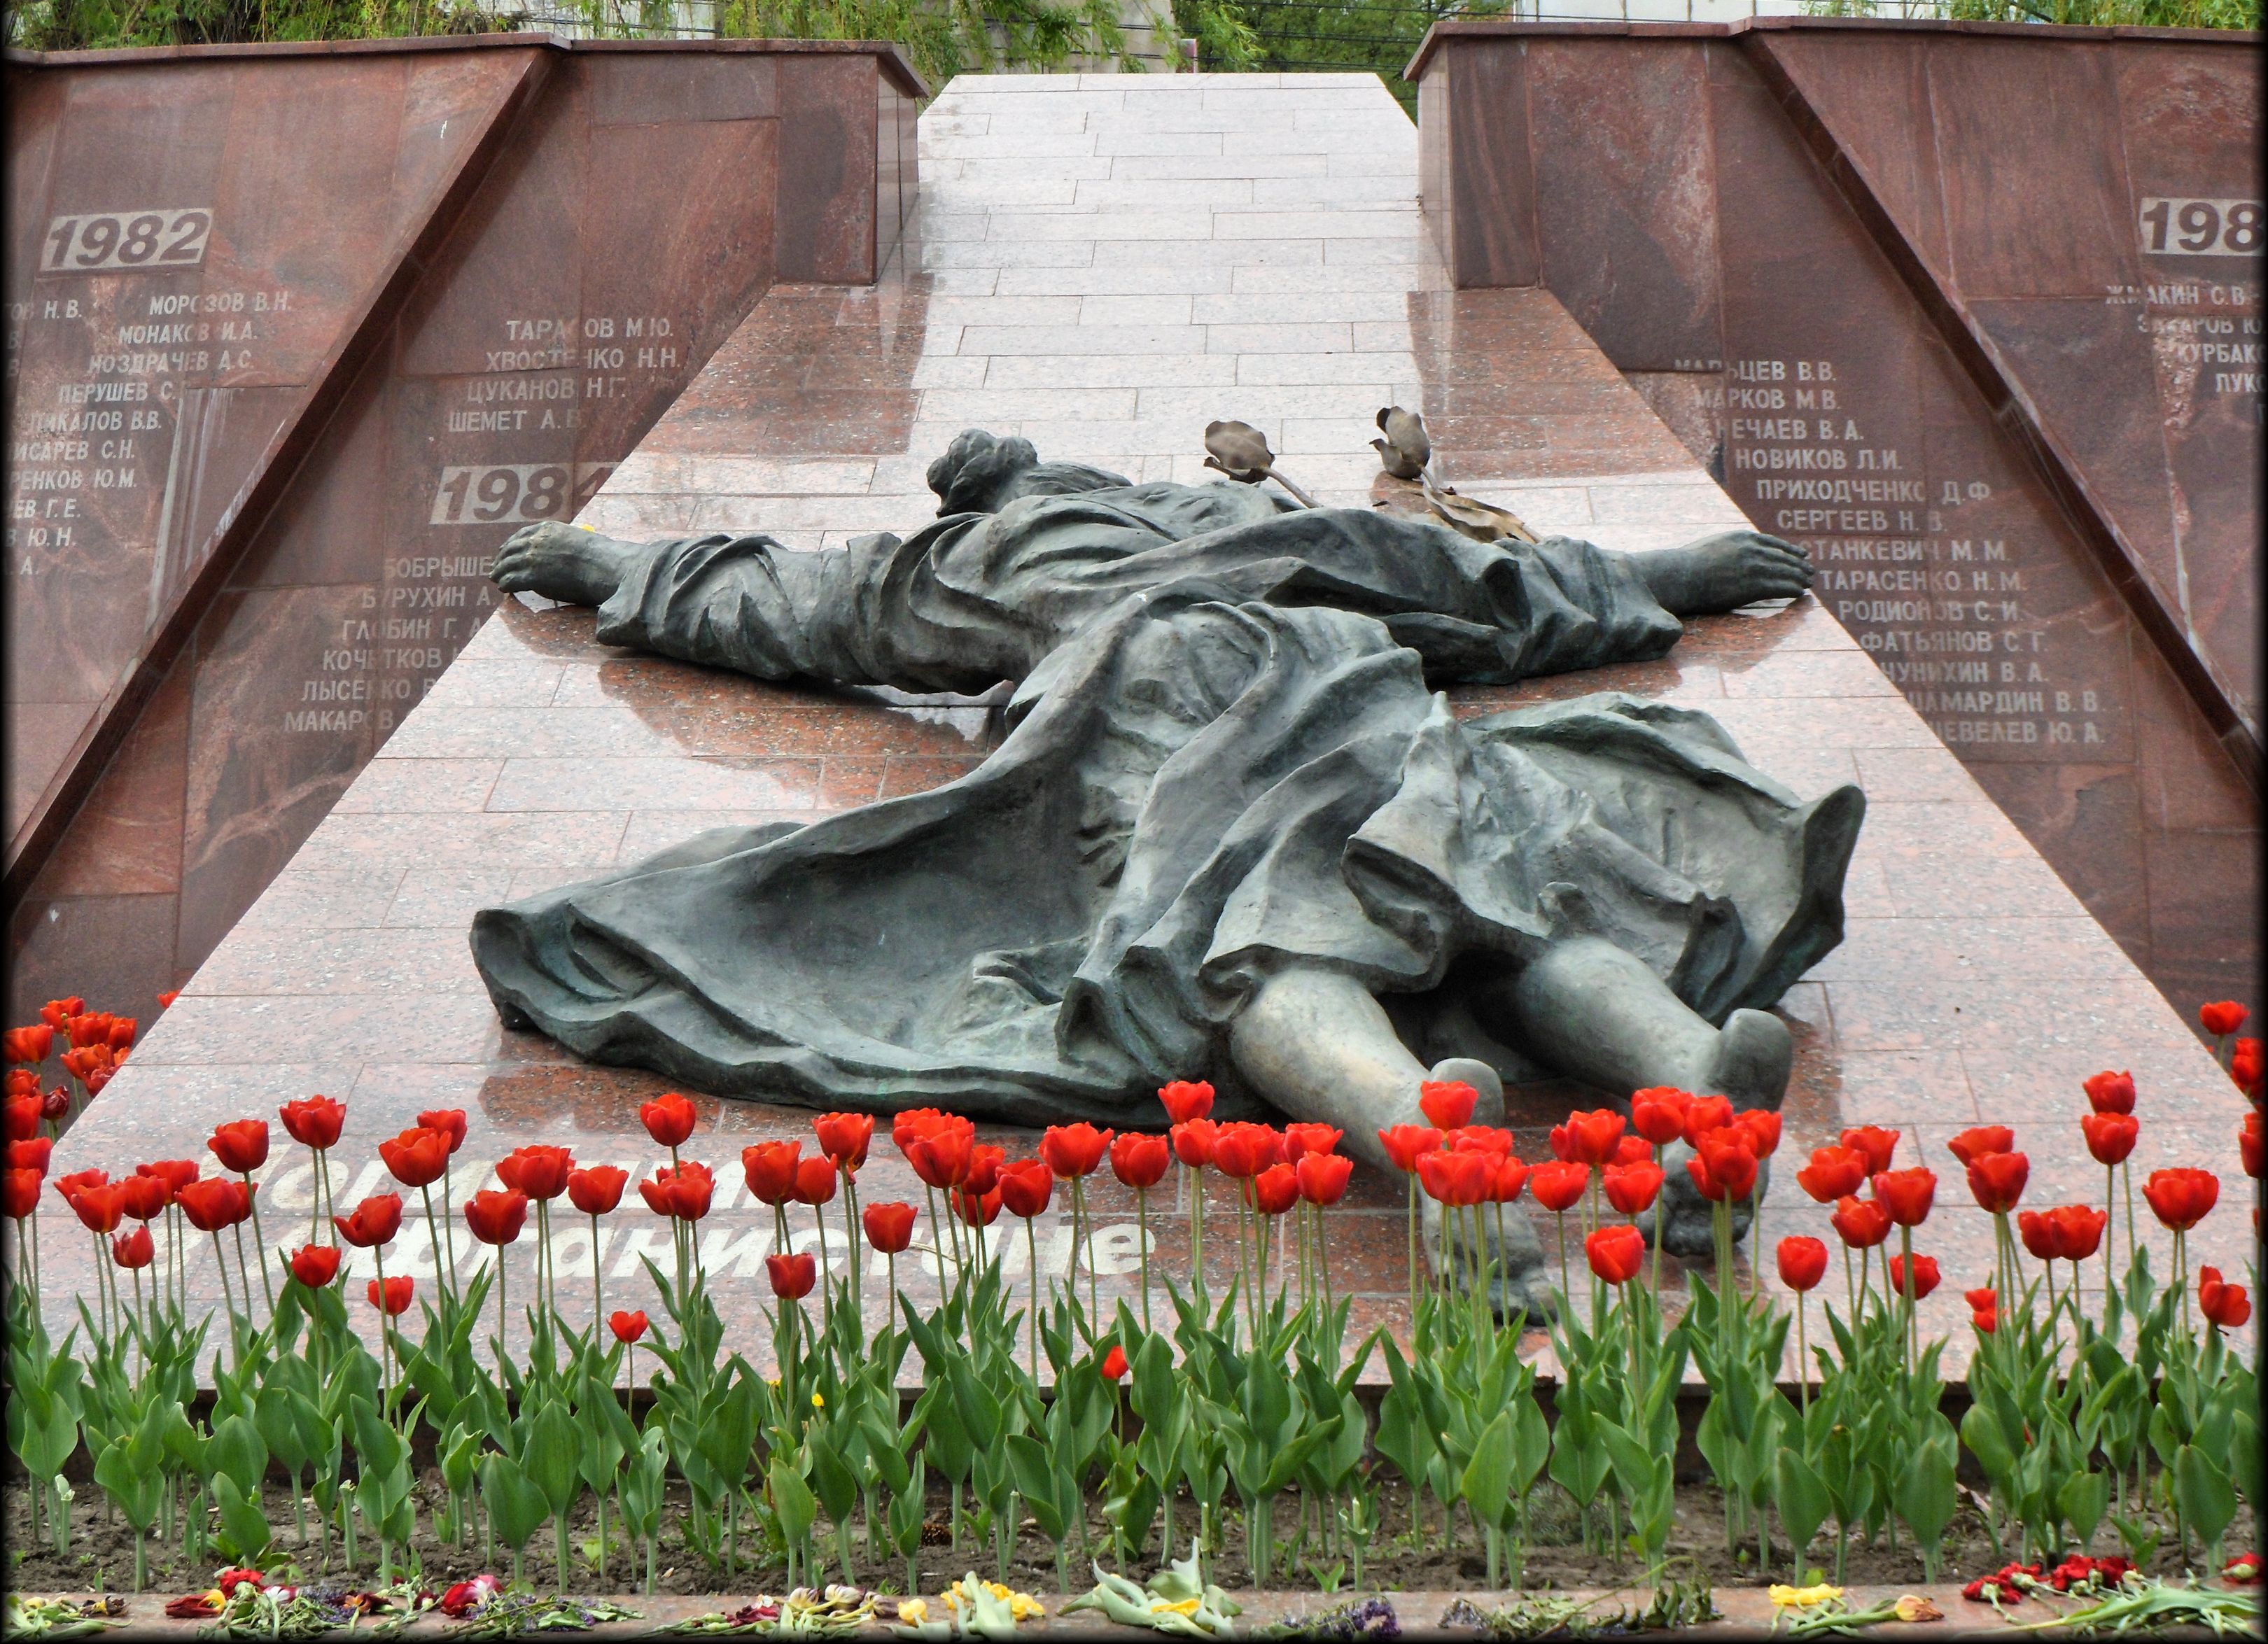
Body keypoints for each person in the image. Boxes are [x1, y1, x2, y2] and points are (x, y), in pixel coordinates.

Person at [477, 431, 1861, 1302]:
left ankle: (1424, 1136)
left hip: (1171, 716)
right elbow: (1502, 601)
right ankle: (1691, 1081)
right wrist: (1682, 569)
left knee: (1252, 944)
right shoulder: (1270, 534)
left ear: (1008, 498)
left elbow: (803, 606)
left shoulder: (1013, 549)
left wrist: (616, 573)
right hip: (1360, 690)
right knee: (1499, 898)